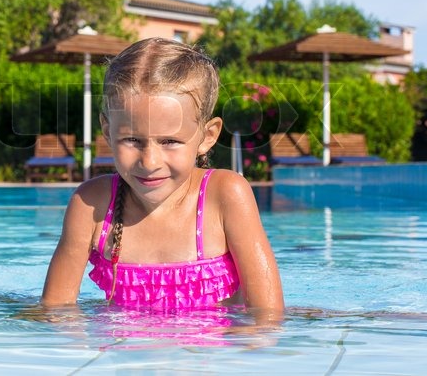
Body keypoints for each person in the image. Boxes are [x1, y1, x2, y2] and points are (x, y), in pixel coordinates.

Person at [41, 37, 284, 319]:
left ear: (207, 137)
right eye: (132, 140)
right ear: (107, 132)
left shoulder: (225, 195)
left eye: (169, 141)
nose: (150, 161)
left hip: (211, 358)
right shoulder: (90, 205)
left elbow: (267, 317)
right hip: (125, 354)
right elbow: (55, 312)